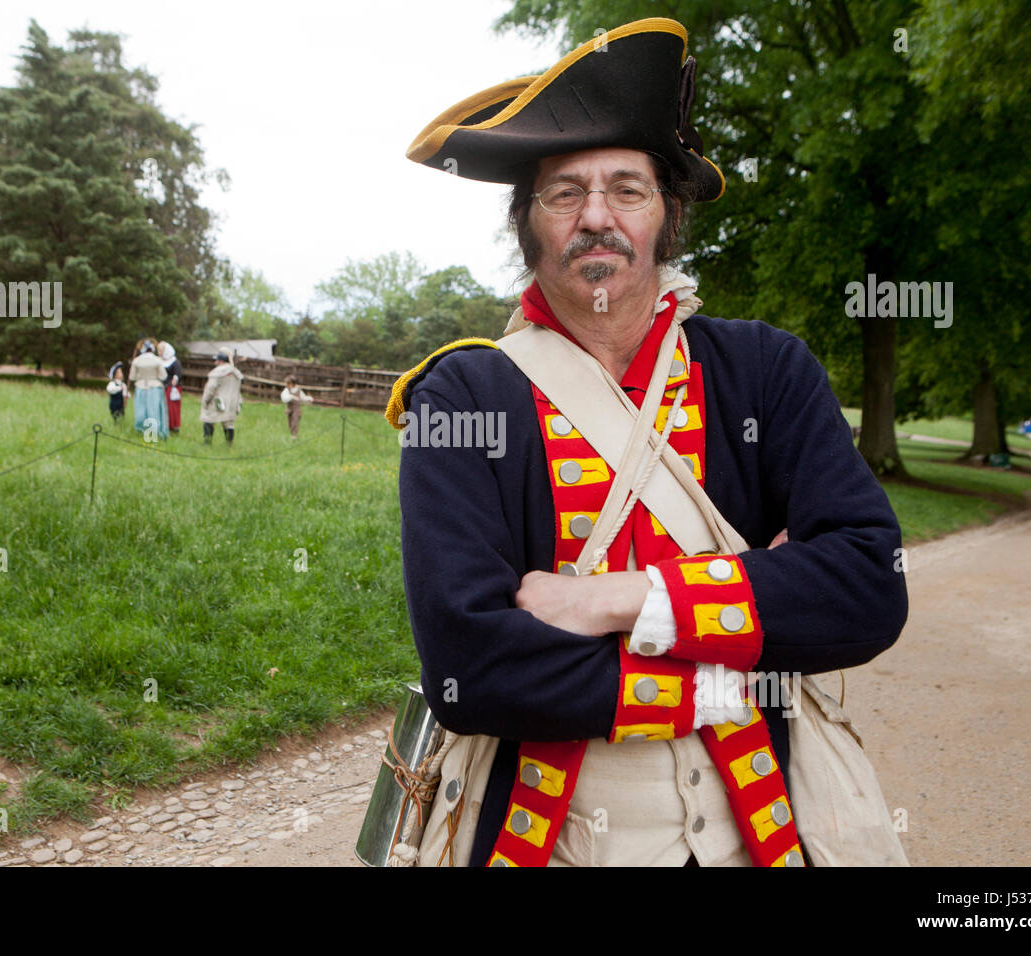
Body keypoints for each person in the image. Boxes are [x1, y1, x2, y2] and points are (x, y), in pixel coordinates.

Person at [387, 18, 907, 867]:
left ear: (669, 214)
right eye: (564, 192)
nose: (596, 216)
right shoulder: (463, 395)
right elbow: (469, 668)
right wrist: (731, 667)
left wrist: (610, 601)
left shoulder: (765, 370)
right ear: (527, 223)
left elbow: (867, 588)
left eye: (627, 188)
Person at [200, 346, 242, 446]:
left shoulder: (217, 372)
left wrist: (206, 401)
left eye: (217, 360)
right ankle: (229, 444)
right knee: (229, 423)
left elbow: (211, 388)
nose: (215, 362)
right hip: (232, 401)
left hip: (217, 401)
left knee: (208, 419)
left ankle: (207, 443)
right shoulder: (236, 373)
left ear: (220, 361)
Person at [129, 339, 169, 440]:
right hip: (155, 387)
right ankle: (153, 434)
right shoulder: (157, 360)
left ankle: (141, 431)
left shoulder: (137, 360)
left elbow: (132, 377)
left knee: (141, 410)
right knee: (154, 411)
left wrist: (140, 377)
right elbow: (163, 376)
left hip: (140, 387)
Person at [159, 341, 184, 434]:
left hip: (172, 389)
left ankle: (174, 427)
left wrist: (170, 385)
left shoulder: (175, 362)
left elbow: (177, 376)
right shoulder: (160, 361)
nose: (159, 353)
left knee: (172, 409)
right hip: (162, 387)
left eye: (161, 351)